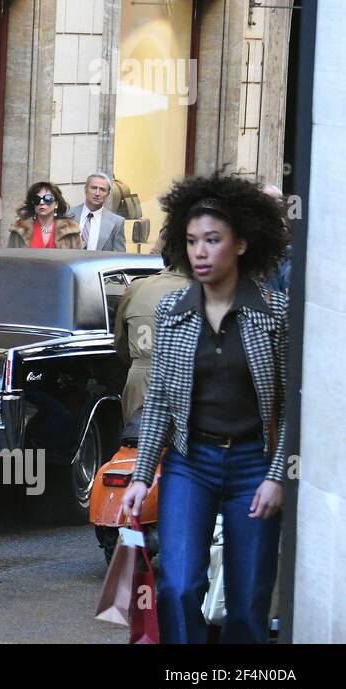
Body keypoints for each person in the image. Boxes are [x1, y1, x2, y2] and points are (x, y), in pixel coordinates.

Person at [121, 174, 291, 644]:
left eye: (212, 240)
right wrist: (140, 476)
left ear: (239, 245)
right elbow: (158, 403)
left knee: (248, 598)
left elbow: (292, 406)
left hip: (252, 464)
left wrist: (277, 475)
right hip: (189, 464)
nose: (200, 252)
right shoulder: (174, 310)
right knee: (177, 586)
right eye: (192, 241)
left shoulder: (274, 312)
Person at [113, 258, 190, 433]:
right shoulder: (206, 290)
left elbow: (120, 341)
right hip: (186, 381)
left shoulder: (137, 287)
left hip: (139, 380)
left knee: (137, 448)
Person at [6, 182, 82, 249]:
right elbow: (9, 261)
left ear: (56, 204)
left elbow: (78, 261)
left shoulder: (70, 231)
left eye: (47, 198)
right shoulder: (19, 230)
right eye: (37, 199)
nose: (41, 202)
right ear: (33, 204)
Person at [68, 171, 127, 252]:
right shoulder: (68, 215)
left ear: (108, 194)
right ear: (86, 190)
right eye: (93, 188)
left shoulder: (117, 222)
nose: (97, 193)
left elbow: (119, 257)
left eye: (102, 190)